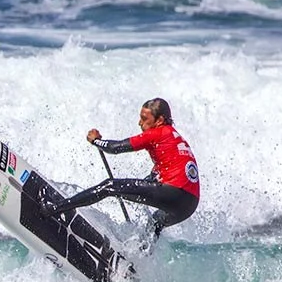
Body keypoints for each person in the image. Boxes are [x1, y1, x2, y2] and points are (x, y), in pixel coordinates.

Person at [41, 98, 200, 245]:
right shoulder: (174, 138)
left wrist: (96, 141)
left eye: (145, 119)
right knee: (154, 224)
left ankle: (54, 208)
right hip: (188, 204)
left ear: (159, 120)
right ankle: (140, 260)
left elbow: (115, 148)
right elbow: (155, 177)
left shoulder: (157, 133)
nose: (140, 123)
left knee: (110, 186)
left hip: (175, 192)